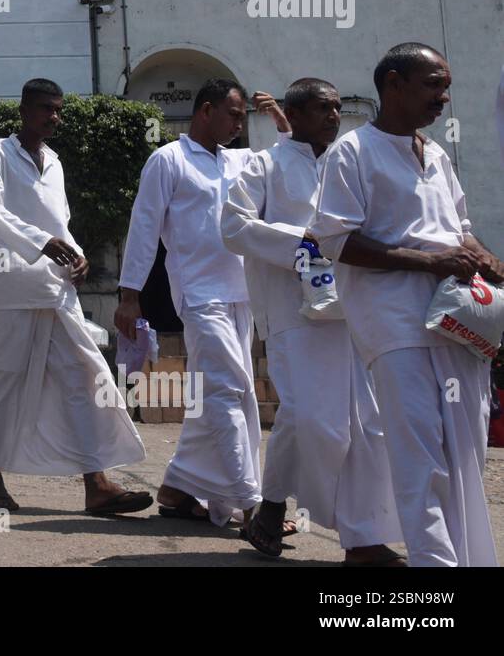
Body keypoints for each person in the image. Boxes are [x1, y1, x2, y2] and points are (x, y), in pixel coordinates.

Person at [311, 43, 503, 567]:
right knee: (422, 460)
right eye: (433, 85)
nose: (443, 98)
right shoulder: (353, 152)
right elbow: (334, 241)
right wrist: (428, 262)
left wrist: (486, 257)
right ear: (393, 85)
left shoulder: (436, 154)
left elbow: (459, 230)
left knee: (465, 457)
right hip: (396, 326)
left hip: (458, 320)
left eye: (445, 87)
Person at [222, 78, 403, 564]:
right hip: (290, 313)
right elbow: (234, 227)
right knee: (313, 420)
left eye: (338, 108)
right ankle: (303, 514)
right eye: (323, 108)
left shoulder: (350, 164)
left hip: (351, 312)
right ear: (293, 116)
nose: (334, 116)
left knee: (366, 425)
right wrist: (302, 242)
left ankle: (352, 536)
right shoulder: (264, 164)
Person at [115, 80, 289, 526]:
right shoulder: (168, 159)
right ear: (205, 110)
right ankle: (251, 504)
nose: (238, 123)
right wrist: (129, 297)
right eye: (233, 114)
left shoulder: (242, 160)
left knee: (226, 391)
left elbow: (288, 171)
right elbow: (143, 228)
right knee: (230, 391)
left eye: (241, 116)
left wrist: (282, 125)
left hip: (242, 293)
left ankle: (176, 490)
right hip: (198, 294)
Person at [0, 79, 151, 514]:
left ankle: (97, 483)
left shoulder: (54, 160)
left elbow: (62, 220)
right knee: (6, 379)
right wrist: (41, 242)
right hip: (13, 285)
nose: (53, 117)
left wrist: (79, 254)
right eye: (44, 109)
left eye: (57, 110)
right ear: (22, 110)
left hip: (57, 286)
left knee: (86, 374)